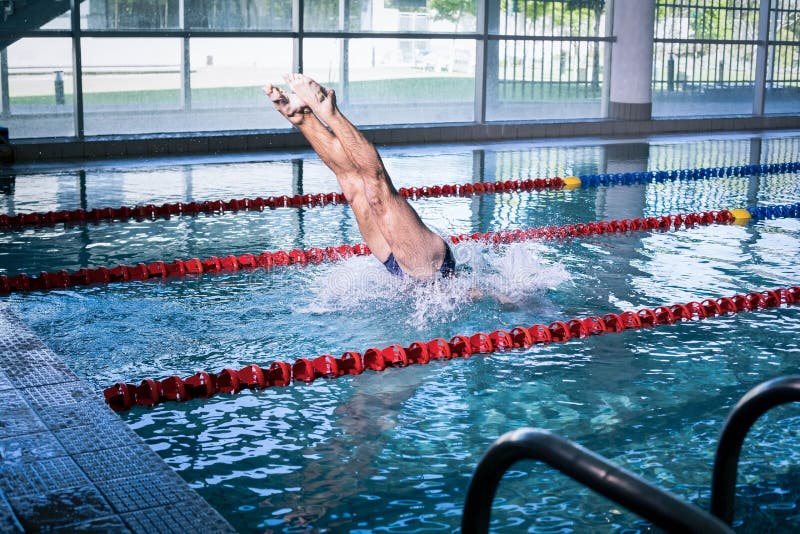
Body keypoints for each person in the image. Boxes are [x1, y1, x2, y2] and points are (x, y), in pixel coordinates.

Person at [264, 73, 455, 280]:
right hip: (429, 265)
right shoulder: (456, 287)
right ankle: (330, 111)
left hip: (394, 264)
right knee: (378, 190)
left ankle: (302, 117)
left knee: (352, 185)